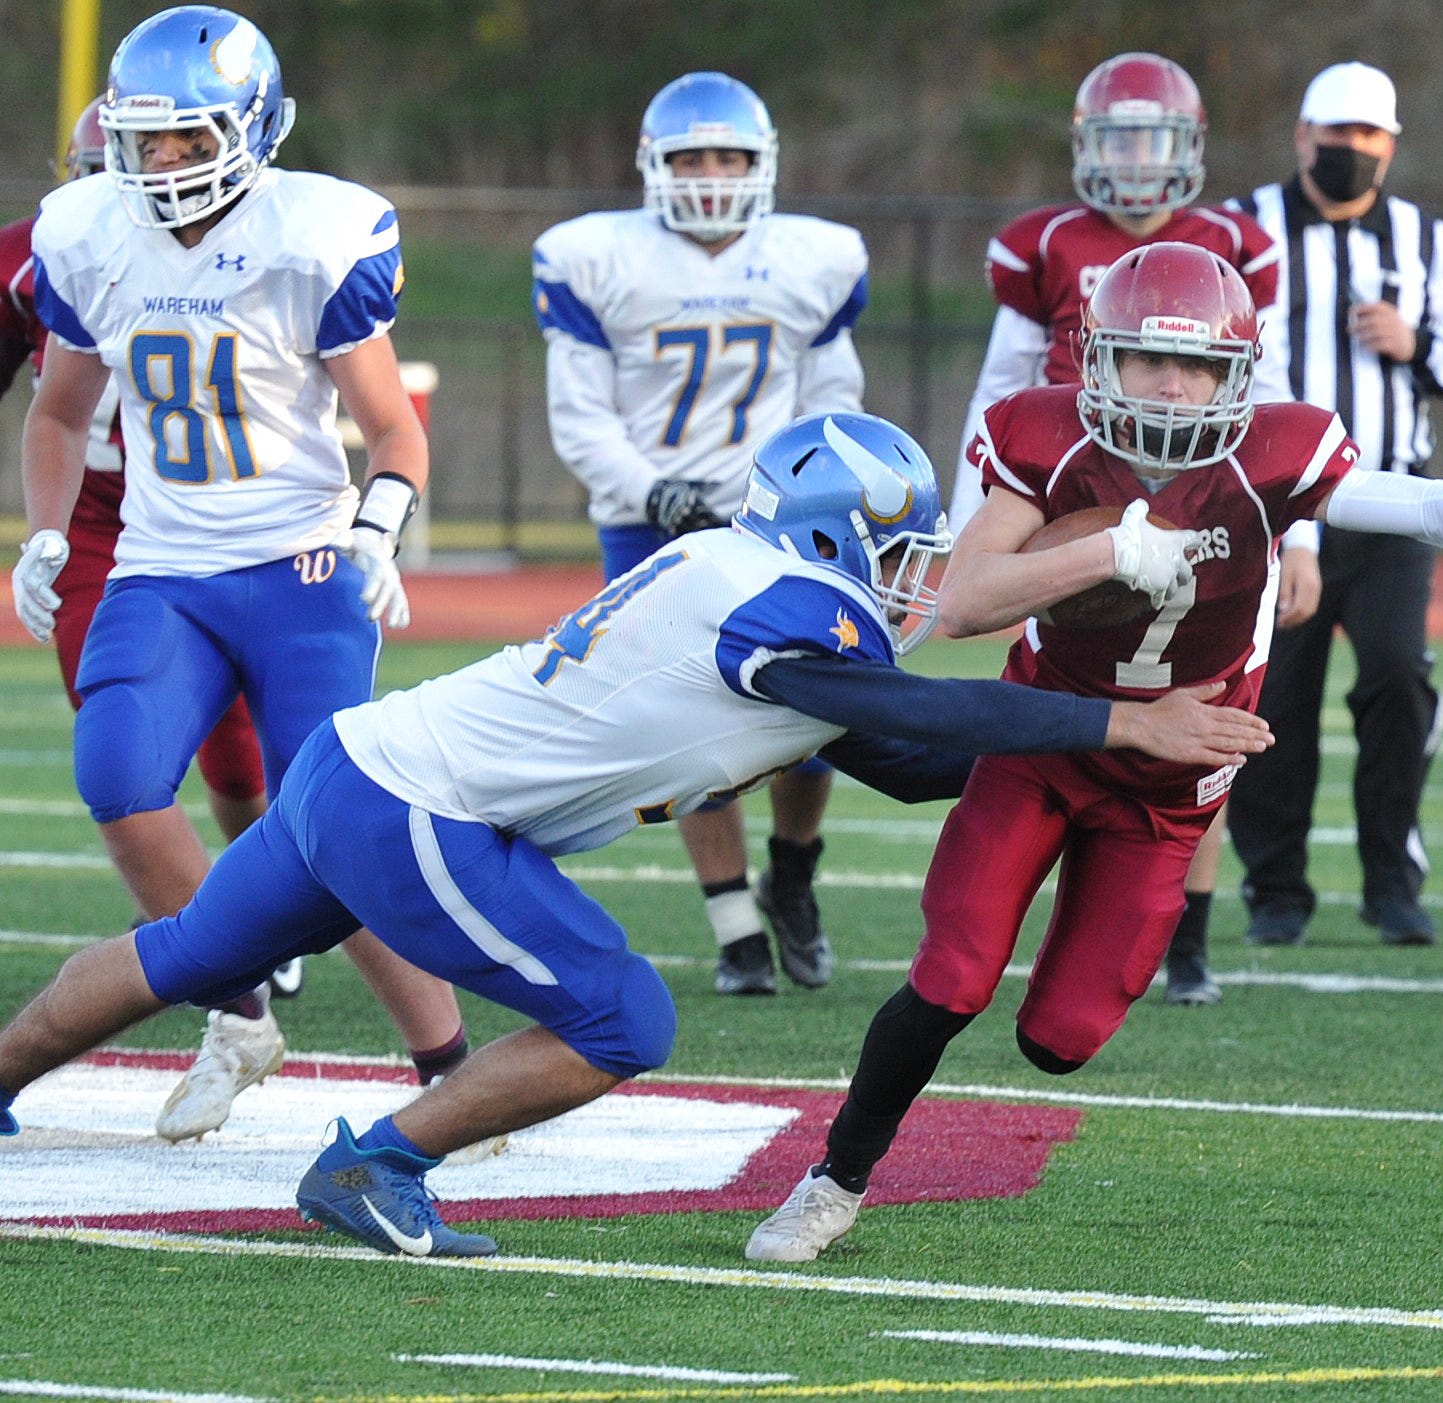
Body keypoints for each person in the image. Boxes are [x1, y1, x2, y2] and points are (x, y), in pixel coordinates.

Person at [0, 411, 1275, 1260]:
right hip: (424, 809)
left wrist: (1077, 770)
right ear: (836, 531)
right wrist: (1114, 719)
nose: (910, 569)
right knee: (624, 1018)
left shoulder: (747, 585)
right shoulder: (781, 606)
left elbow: (907, 757)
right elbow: (917, 705)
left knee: (177, 953)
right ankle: (376, 1166)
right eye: (895, 544)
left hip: (363, 766)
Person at [746, 243, 1443, 1264]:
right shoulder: (1047, 436)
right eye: (1148, 356)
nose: (1171, 382)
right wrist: (1105, 550)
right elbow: (962, 601)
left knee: (1057, 1039)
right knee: (953, 975)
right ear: (1096, 358)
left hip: (1170, 788)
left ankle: (1022, 1022)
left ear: (1236, 372)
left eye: (1194, 364)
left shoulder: (1275, 452)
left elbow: (1410, 499)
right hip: (1046, 740)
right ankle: (833, 1179)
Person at [9, 6, 471, 1143]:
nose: (158, 163)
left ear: (250, 127)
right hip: (163, 564)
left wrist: (381, 526)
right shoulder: (86, 232)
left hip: (298, 559)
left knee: (333, 820)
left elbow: (390, 429)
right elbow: (60, 412)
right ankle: (238, 1007)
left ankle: (449, 1060)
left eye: (184, 139)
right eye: (144, 139)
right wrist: (48, 533)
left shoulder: (310, 232)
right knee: (118, 773)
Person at [950, 49, 1288, 1004]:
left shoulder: (1238, 240)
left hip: (1214, 490)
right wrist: (972, 513)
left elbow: (1276, 387)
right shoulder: (1043, 242)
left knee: (1214, 715)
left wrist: (1291, 532)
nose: (1138, 159)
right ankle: (1028, 893)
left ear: (1192, 147)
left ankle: (1184, 936)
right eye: (1120, 137)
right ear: (1085, 145)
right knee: (1062, 677)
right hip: (1077, 487)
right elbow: (1001, 385)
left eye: (1156, 138)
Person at [533, 72, 869, 998]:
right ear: (653, 165)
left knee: (823, 709)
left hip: (782, 516)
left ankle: (792, 877)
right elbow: (581, 414)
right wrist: (652, 490)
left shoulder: (816, 256)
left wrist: (805, 486)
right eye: (690, 157)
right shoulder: (598, 256)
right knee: (683, 718)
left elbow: (834, 397)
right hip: (650, 524)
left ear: (763, 165)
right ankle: (734, 926)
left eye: (728, 156)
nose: (710, 174)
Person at [1225, 61, 1443, 950]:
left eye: (1366, 136)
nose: (1349, 149)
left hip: (1391, 508)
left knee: (1396, 674)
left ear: (1389, 144)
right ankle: (1276, 889)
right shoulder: (1246, 229)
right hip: (1275, 509)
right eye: (1334, 133)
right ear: (1302, 135)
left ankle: (1392, 882)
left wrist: (1415, 343)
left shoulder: (1425, 239)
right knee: (1274, 700)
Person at [0, 99, 272, 892]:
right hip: (91, 516)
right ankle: (219, 955)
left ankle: (266, 908)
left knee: (238, 752)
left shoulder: (250, 245)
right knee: (116, 734)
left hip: (207, 506)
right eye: (103, 174)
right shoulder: (34, 255)